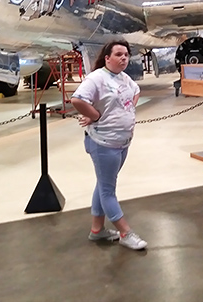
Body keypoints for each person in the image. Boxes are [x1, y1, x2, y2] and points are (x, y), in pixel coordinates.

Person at [71, 39, 147, 250]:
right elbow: (77, 100)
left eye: (126, 55)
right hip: (104, 143)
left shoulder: (125, 78)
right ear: (107, 58)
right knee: (108, 190)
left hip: (122, 142)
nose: (123, 58)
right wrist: (94, 115)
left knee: (103, 184)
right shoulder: (96, 78)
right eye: (118, 54)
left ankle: (97, 230)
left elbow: (136, 90)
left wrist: (127, 109)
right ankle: (125, 232)